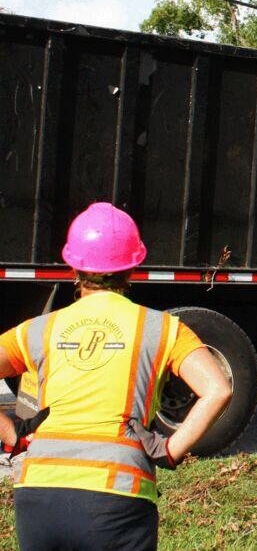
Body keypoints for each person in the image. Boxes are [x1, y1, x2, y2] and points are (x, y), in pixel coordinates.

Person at [0, 202, 232, 550]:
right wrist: (170, 449)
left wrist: (13, 436)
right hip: (115, 495)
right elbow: (218, 389)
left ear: (73, 265)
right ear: (133, 266)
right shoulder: (163, 329)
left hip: (39, 490)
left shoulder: (38, 330)